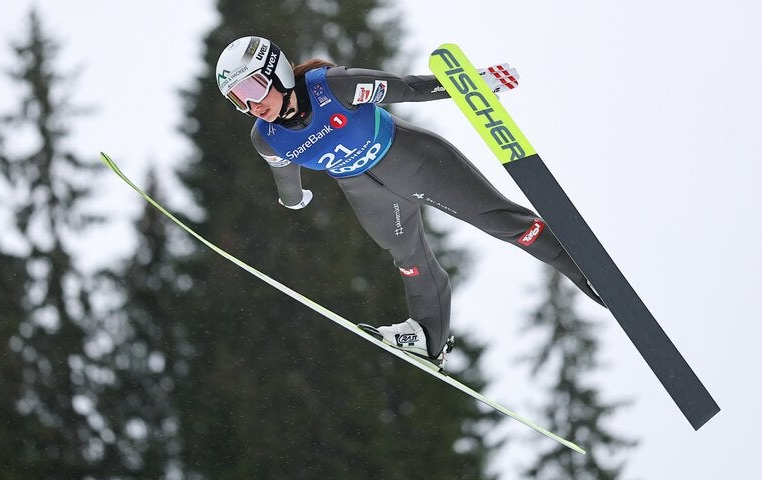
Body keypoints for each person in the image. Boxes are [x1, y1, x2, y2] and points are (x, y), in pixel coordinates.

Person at [215, 36, 603, 364]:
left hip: (414, 161)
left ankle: (591, 274)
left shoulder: (333, 87)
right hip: (365, 193)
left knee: (501, 222)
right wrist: (294, 200)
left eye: (252, 89)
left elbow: (409, 87)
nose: (251, 105)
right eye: (238, 99)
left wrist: (474, 83)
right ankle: (429, 338)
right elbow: (284, 174)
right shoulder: (266, 138)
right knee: (410, 262)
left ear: (277, 72)